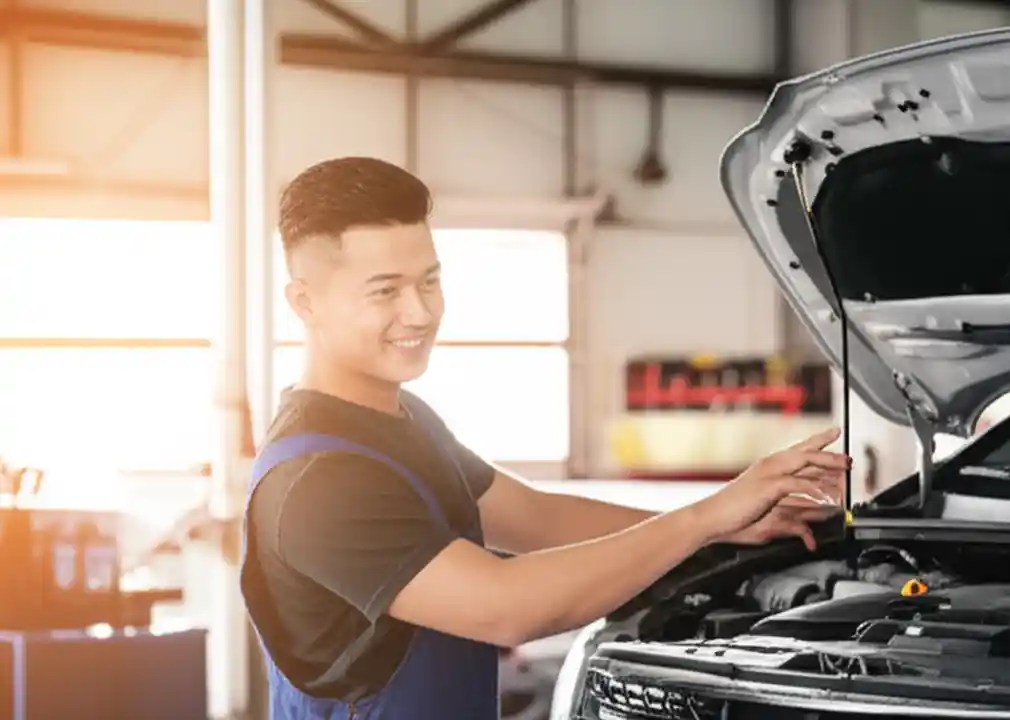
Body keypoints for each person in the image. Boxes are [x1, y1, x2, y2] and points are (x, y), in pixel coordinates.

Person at [239, 156, 850, 719]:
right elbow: (508, 608)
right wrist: (706, 520)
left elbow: (536, 516)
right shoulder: (318, 481)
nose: (421, 312)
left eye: (429, 281)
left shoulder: (404, 421)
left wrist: (723, 528)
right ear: (305, 302)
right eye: (385, 291)